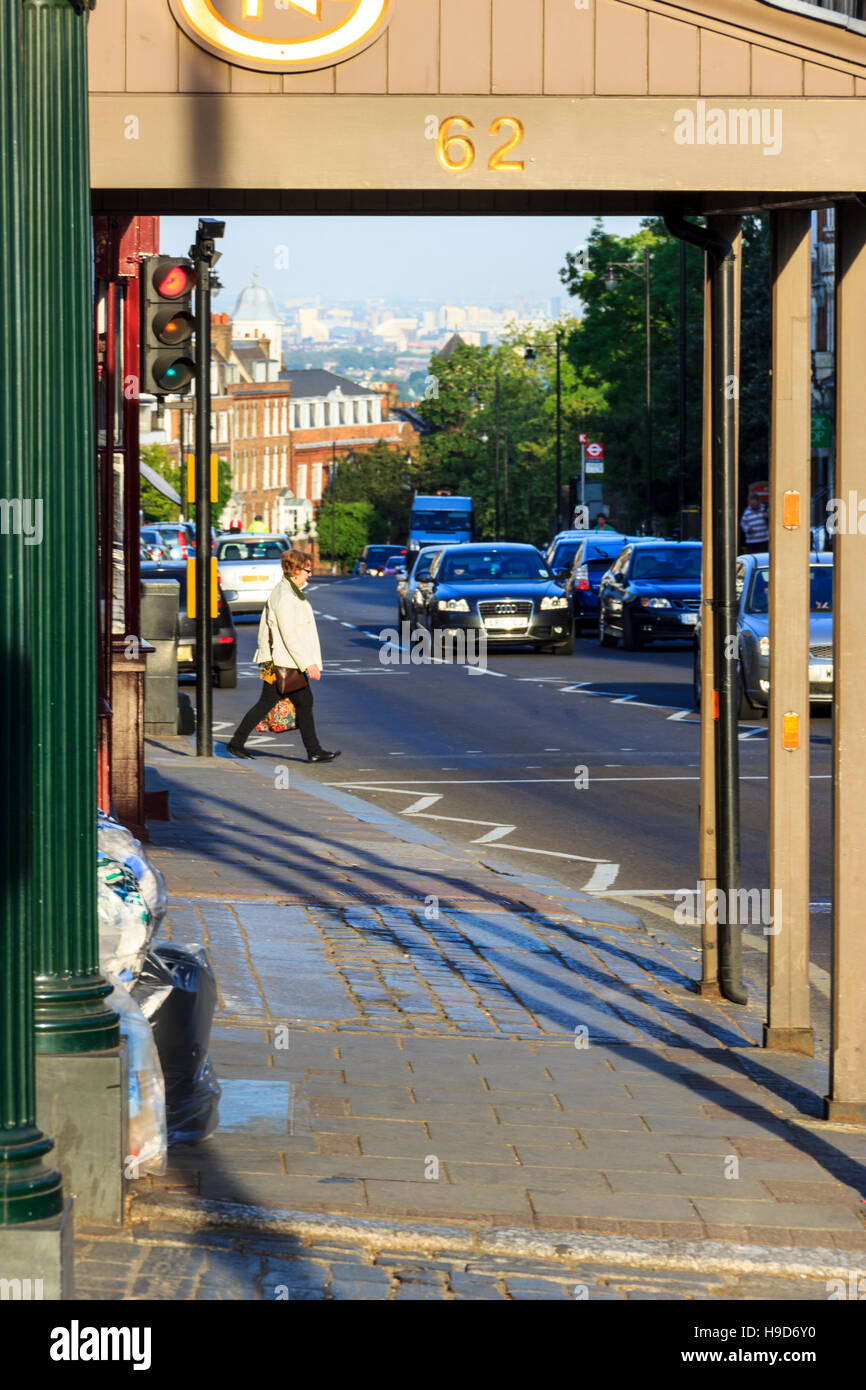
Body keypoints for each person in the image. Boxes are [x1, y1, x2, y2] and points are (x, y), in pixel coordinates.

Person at [227, 549, 340, 764]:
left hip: (285, 660)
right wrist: (308, 664)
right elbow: (289, 634)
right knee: (268, 702)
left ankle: (313, 750)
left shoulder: (290, 591)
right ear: (295, 570)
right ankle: (236, 743)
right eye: (308, 569)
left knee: (304, 701)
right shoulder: (285, 596)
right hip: (281, 661)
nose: (310, 574)